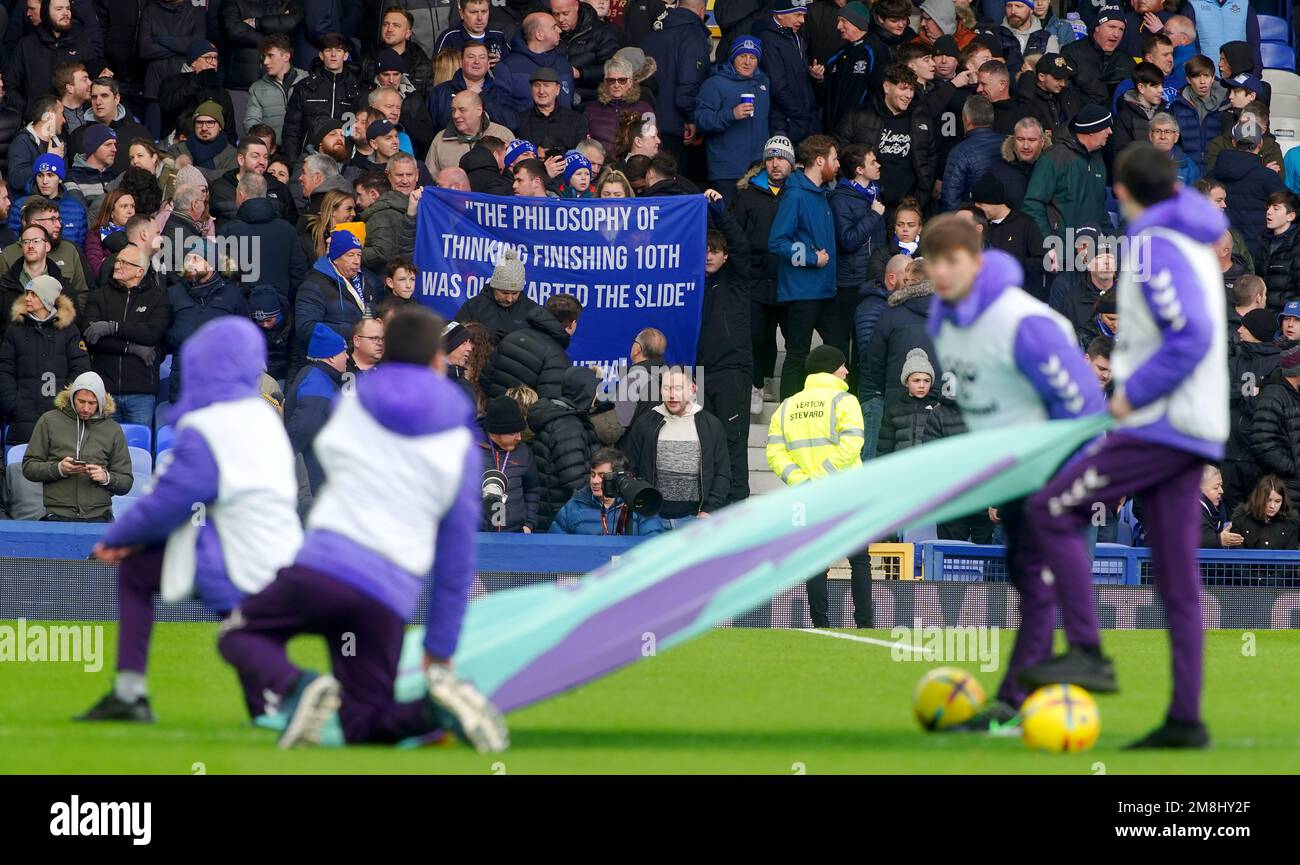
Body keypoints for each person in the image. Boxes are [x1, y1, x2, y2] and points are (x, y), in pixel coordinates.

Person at [219, 307, 507, 750]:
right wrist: (440, 646)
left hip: (326, 567)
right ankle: (438, 709)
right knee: (364, 724)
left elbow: (326, 462)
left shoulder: (352, 409)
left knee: (239, 635)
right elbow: (455, 557)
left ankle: (301, 687)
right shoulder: (459, 446)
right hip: (387, 592)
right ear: (437, 360)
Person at [1022, 144, 1228, 749]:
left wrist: (1129, 393)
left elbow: (1188, 336)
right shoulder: (1190, 235)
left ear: (1121, 193)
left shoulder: (1154, 246)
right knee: (1176, 579)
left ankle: (1088, 651)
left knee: (1050, 507)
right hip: (1192, 425)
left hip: (1162, 423)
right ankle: (1185, 720)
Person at [923, 214, 1106, 731]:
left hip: (1057, 466)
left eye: (953, 261)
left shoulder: (1025, 324)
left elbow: (1085, 404)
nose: (942, 272)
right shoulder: (944, 320)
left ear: (976, 262)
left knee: (1039, 580)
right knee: (1030, 583)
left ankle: (1037, 687)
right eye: (933, 261)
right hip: (1015, 472)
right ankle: (1020, 701)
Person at [77, 318, 302, 722]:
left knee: (240, 631)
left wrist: (117, 536)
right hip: (267, 552)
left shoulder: (211, 424)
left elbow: (173, 499)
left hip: (240, 555)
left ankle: (290, 696)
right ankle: (131, 697)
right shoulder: (263, 417)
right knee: (142, 572)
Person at [765, 344, 872, 627]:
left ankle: (820, 625)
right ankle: (864, 624)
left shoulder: (787, 405)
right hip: (845, 491)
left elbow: (774, 452)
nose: (846, 370)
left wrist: (802, 480)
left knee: (814, 562)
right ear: (831, 368)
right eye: (842, 365)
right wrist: (824, 474)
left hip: (807, 495)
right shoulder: (845, 401)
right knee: (859, 560)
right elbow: (853, 443)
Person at [769, 134, 839, 400]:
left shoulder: (821, 194)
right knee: (797, 354)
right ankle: (788, 411)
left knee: (837, 349)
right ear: (820, 160)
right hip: (802, 291)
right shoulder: (795, 195)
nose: (837, 164)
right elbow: (777, 242)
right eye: (833, 159)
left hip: (824, 290)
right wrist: (811, 258)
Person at [624, 366, 730, 529]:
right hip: (651, 519)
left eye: (678, 389)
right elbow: (630, 469)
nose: (672, 395)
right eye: (667, 388)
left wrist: (708, 510)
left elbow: (722, 473)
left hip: (695, 520)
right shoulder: (644, 424)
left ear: (692, 389)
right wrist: (642, 507)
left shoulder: (712, 426)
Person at [21, 369, 132, 522]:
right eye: (81, 401)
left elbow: (126, 482)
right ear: (72, 397)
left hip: (99, 515)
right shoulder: (49, 421)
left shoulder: (113, 429)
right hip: (57, 514)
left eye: (92, 403)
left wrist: (106, 477)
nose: (86, 408)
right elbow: (28, 467)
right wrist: (58, 469)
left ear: (100, 401)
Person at [83, 243, 168, 426]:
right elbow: (91, 337)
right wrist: (132, 348)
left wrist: (111, 328)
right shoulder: (99, 296)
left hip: (141, 392)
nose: (117, 265)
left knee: (138, 451)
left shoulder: (157, 298)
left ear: (139, 272)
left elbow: (152, 334)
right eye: (117, 260)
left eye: (125, 262)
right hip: (104, 391)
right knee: (103, 451)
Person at [0, 272, 89, 444]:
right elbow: (5, 369)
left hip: (60, 417)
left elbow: (80, 369)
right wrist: (14, 403)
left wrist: (65, 402)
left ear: (47, 298)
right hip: (22, 418)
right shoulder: (15, 328)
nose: (27, 298)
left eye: (34, 294)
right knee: (20, 467)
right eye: (27, 293)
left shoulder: (69, 330)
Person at [835, 63, 938, 209]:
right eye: (903, 88)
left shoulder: (922, 118)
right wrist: (855, 194)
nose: (908, 95)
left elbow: (931, 157)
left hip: (908, 207)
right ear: (887, 87)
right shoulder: (859, 115)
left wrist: (921, 196)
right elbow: (840, 154)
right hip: (866, 204)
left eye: (911, 89)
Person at [694, 36, 771, 200]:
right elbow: (701, 120)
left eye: (753, 57)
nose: (747, 62)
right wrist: (731, 114)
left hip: (758, 170)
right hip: (726, 171)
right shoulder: (715, 83)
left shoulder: (764, 83)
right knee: (728, 220)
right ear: (733, 57)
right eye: (742, 56)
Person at [1023, 104, 1113, 242]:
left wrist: (1110, 240)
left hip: (1093, 250)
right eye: (1105, 127)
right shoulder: (1054, 157)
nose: (1110, 131)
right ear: (1091, 130)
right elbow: (1033, 203)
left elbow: (1099, 208)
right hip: (1061, 251)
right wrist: (1048, 243)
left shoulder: (1097, 160)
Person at [528, 364, 600, 530]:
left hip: (552, 511)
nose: (597, 395)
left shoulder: (562, 417)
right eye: (595, 389)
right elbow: (574, 480)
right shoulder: (569, 427)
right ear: (585, 392)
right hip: (561, 515)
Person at [294, 228, 375, 375]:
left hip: (356, 363)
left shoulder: (363, 283)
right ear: (335, 258)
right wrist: (355, 331)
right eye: (350, 255)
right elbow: (305, 328)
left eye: (359, 255)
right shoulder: (313, 285)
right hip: (326, 366)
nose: (357, 261)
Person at [639, 0, 711, 165]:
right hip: (675, 128)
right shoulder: (694, 35)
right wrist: (691, 118)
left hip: (647, 124)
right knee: (672, 185)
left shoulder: (652, 32)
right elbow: (688, 86)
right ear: (702, 11)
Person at [281, 33, 367, 162]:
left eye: (338, 50)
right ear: (321, 55)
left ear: (346, 56)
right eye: (328, 50)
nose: (333, 54)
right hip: (309, 158)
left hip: (345, 161)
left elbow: (362, 131)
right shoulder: (304, 87)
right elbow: (291, 130)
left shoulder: (358, 90)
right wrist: (292, 164)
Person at [285, 323, 347, 496]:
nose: (347, 357)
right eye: (344, 352)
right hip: (312, 475)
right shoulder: (318, 385)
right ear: (331, 358)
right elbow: (304, 427)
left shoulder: (314, 377)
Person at [480, 293, 581, 401]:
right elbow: (549, 405)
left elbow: (485, 379)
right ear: (572, 324)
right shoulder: (557, 358)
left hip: (494, 412)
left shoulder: (511, 338)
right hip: (524, 417)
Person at [549, 448, 666, 536]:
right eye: (593, 474)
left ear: (618, 477)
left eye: (602, 476)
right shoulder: (574, 505)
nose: (594, 481)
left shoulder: (639, 504)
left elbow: (653, 545)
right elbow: (554, 547)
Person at [479, 393, 541, 533]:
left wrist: (529, 523)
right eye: (513, 433)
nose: (519, 438)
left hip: (515, 533)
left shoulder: (524, 452)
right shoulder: (469, 450)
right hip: (478, 535)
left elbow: (532, 489)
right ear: (495, 432)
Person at [1248, 343, 1300, 508]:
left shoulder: (1293, 393)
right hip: (1286, 485)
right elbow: (1262, 443)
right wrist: (1291, 468)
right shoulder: (1273, 395)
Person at [453, 247, 538, 339]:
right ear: (494, 287)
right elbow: (456, 339)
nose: (509, 299)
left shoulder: (532, 311)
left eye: (514, 293)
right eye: (504, 293)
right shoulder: (473, 307)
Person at [1230, 475, 1300, 551]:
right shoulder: (1241, 519)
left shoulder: (1291, 523)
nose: (1272, 506)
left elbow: (1289, 557)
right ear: (1259, 498)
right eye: (1268, 500)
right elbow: (1237, 555)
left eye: (1277, 501)